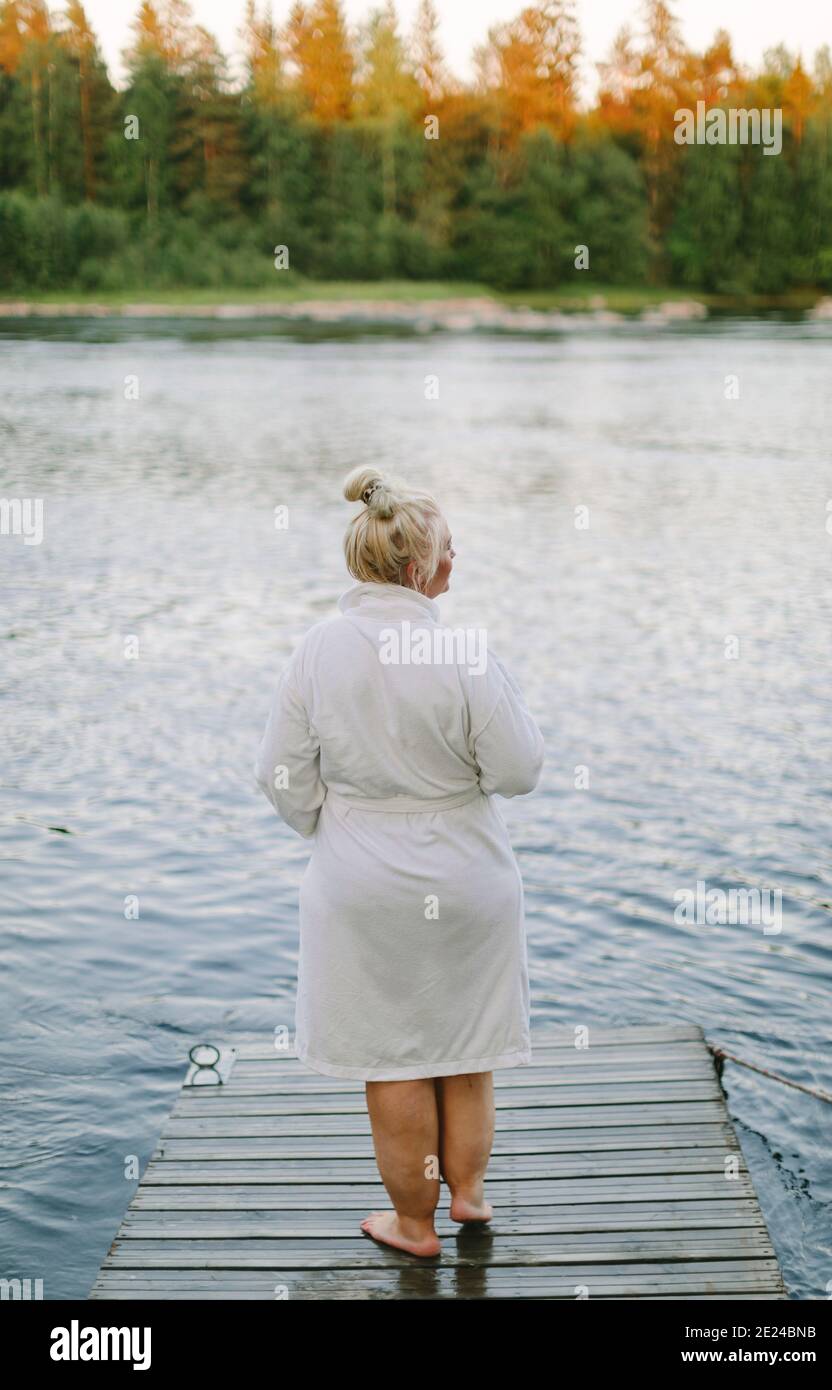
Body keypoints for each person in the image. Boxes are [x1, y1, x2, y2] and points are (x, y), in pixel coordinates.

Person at [254, 466, 544, 1257]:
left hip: (360, 884)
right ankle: (471, 1196)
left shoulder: (317, 648)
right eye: (450, 549)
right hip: (470, 877)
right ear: (418, 570)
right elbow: (519, 771)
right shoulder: (464, 650)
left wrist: (335, 826)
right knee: (470, 1045)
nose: (459, 559)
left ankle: (412, 1225)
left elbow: (279, 774)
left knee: (394, 1060)